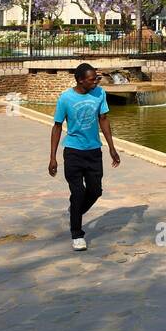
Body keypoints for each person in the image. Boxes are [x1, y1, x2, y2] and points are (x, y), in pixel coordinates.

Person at [48, 62, 122, 252]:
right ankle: (77, 234)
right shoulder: (66, 98)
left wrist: (112, 148)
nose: (96, 82)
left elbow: (103, 119)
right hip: (73, 152)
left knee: (96, 190)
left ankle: (75, 212)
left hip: (94, 151)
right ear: (80, 80)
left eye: (97, 78)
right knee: (78, 193)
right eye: (92, 79)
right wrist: (53, 157)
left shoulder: (100, 94)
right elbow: (57, 127)